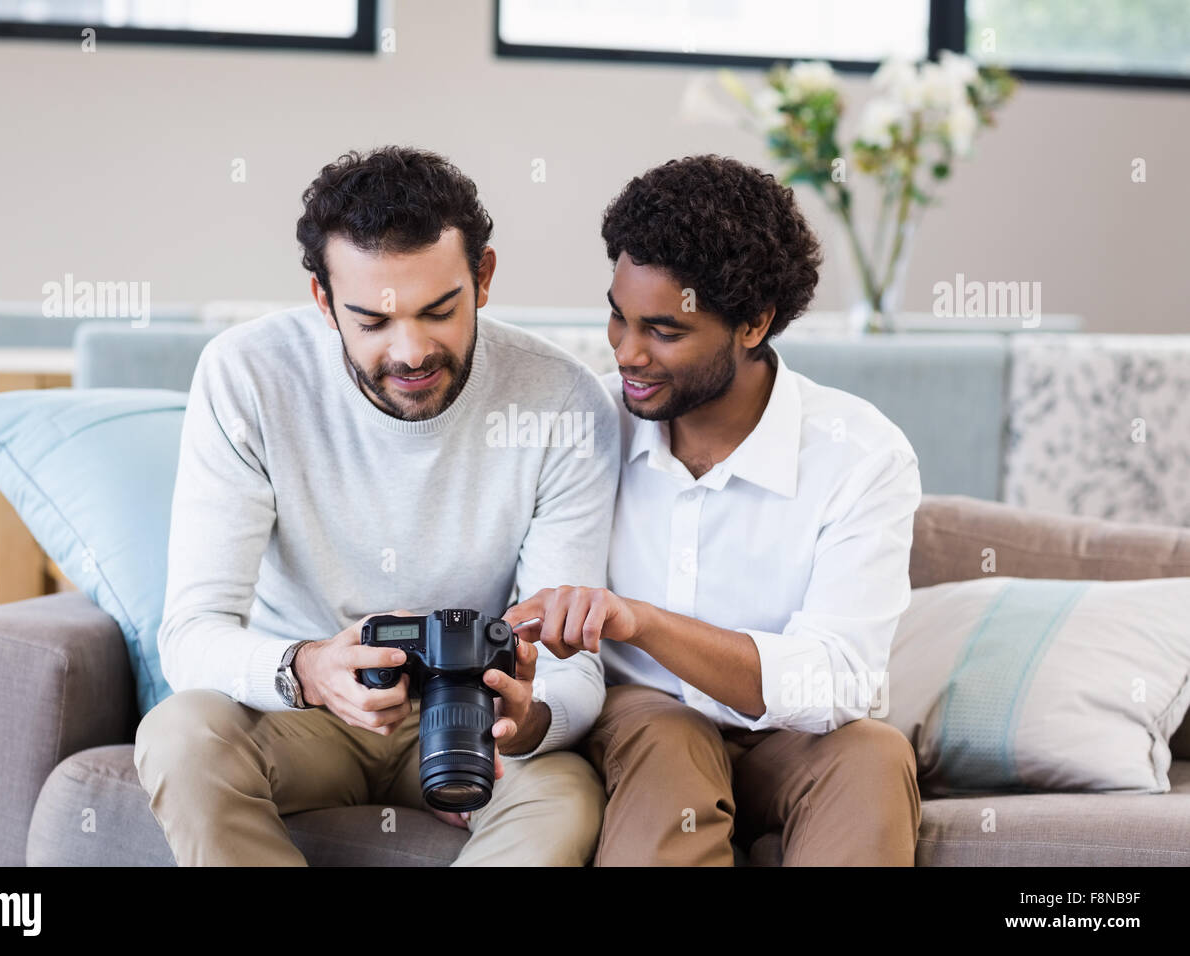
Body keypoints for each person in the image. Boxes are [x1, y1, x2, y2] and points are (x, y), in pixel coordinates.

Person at [134, 146, 617, 866]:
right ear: (324, 301)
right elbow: (191, 634)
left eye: (439, 310)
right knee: (180, 734)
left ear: (482, 278)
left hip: (470, 721)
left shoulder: (565, 402)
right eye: (373, 321)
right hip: (302, 715)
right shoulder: (248, 375)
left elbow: (576, 664)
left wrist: (531, 713)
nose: (412, 351)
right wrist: (306, 667)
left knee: (564, 795)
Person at [505, 155, 924, 866]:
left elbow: (841, 678)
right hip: (637, 723)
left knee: (874, 752)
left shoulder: (861, 453)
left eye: (664, 331)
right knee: (670, 732)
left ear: (754, 323)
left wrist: (643, 621)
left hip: (788, 733)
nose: (627, 353)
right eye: (618, 317)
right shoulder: (583, 427)